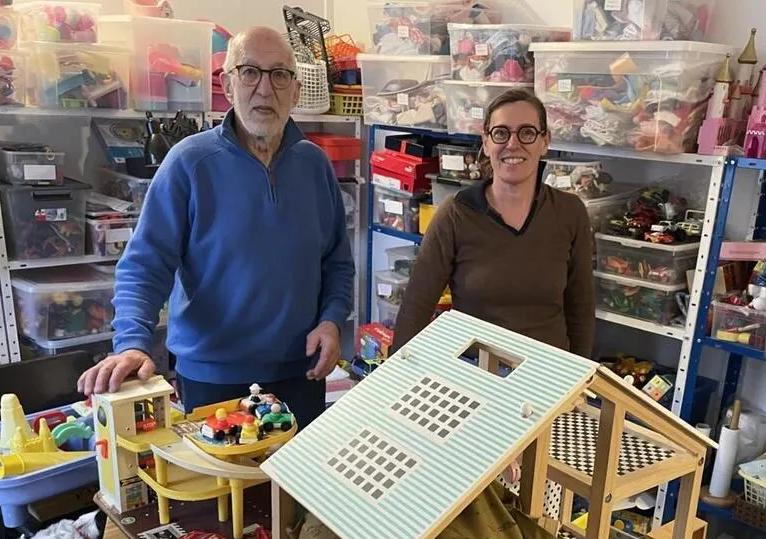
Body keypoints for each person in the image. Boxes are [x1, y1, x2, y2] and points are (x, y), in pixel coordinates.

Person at [76, 26, 354, 427]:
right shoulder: (189, 163)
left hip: (302, 371)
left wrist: (331, 319)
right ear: (227, 84)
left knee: (292, 489)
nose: (264, 89)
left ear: (295, 91)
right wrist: (132, 343)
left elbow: (337, 263)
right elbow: (145, 265)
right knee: (218, 490)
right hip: (213, 378)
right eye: (250, 72)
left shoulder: (314, 166)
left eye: (279, 75)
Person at [393, 88, 595, 357]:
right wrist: (398, 379)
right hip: (474, 375)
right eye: (501, 133)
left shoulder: (570, 212)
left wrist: (579, 379)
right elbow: (416, 306)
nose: (513, 144)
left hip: (549, 376)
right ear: (486, 143)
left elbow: (580, 309)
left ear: (545, 141)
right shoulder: (456, 214)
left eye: (527, 132)